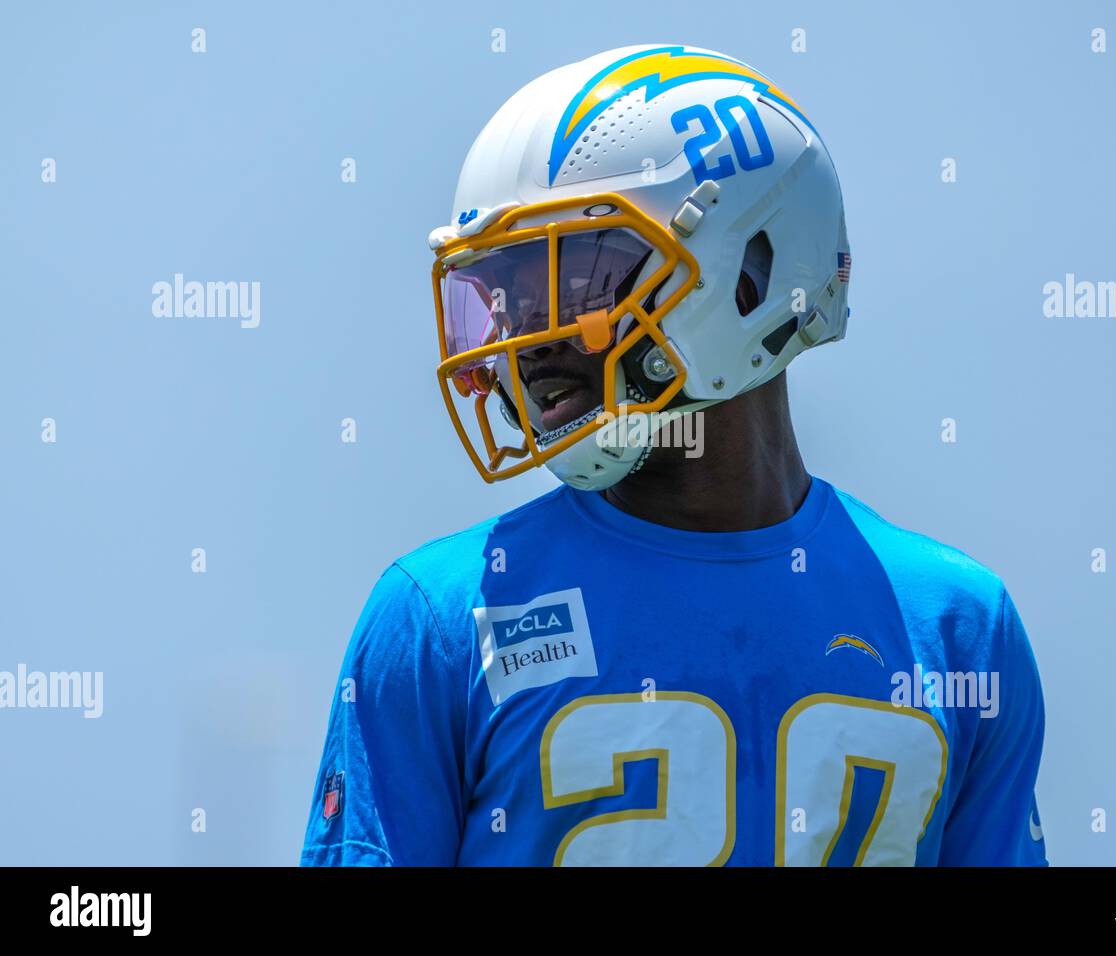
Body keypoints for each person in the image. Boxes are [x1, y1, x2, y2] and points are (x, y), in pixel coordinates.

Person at [301, 43, 1048, 866]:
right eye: (504, 298)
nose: (523, 342)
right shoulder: (439, 620)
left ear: (749, 273)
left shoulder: (959, 626)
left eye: (568, 281)